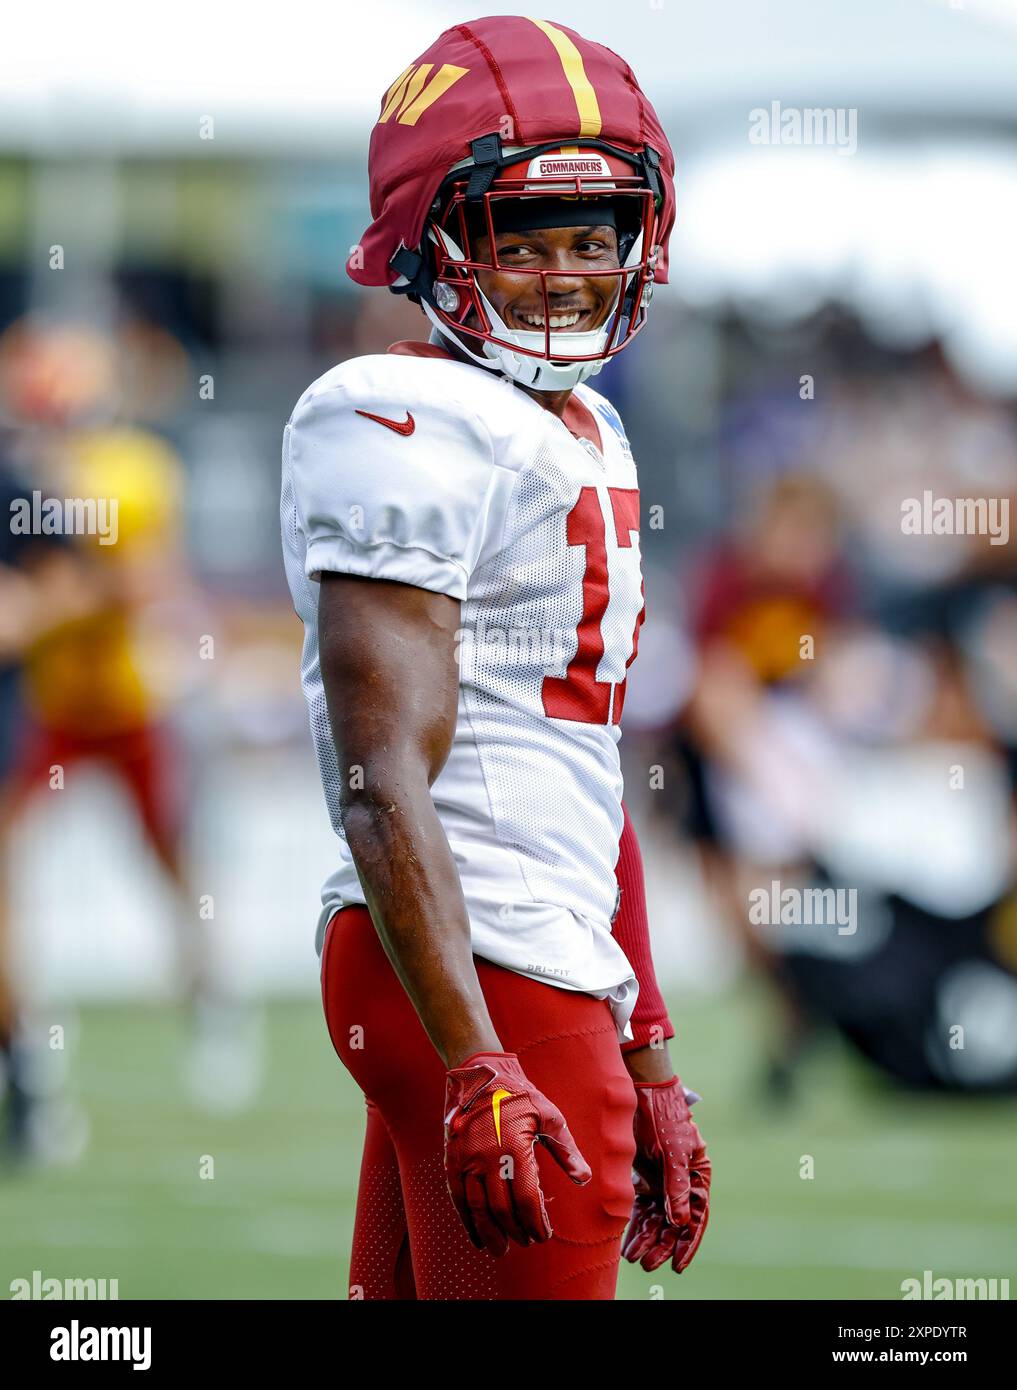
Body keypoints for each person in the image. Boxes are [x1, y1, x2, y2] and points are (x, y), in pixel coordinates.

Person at [281, 16, 710, 1300]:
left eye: (596, 234)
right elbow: (377, 772)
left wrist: (651, 1046)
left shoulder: (583, 427)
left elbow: (582, 755)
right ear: (433, 237)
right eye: (520, 237)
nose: (569, 272)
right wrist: (480, 1055)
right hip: (482, 969)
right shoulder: (396, 413)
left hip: (519, 954)